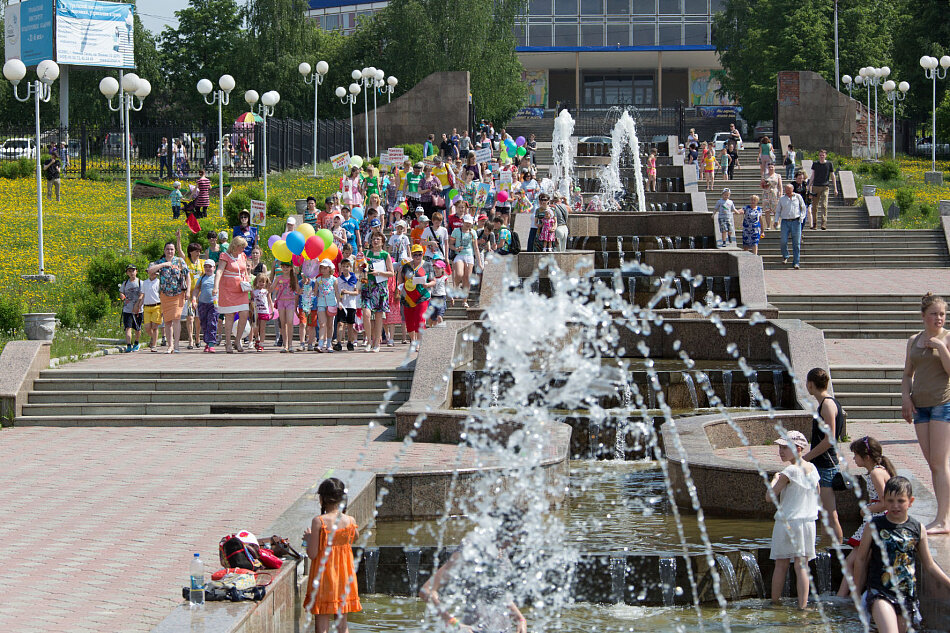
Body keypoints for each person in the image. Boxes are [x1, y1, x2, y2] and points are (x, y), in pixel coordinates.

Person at [851, 477, 950, 633]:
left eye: (900, 501)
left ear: (910, 501)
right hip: (880, 592)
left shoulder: (917, 528)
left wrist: (948, 583)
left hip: (906, 595)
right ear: (884, 500)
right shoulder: (874, 525)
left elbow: (929, 565)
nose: (895, 506)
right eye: (890, 501)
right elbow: (861, 559)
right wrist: (856, 591)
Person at [419, 514, 528, 633]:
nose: (516, 540)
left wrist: (520, 618)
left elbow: (496, 592)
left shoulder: (502, 550)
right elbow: (426, 591)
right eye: (514, 535)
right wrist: (455, 624)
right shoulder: (471, 548)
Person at [901, 292, 950, 534]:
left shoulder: (948, 338)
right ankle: (942, 515)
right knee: (933, 465)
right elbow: (907, 374)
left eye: (942, 314)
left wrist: (941, 347)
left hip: (943, 404)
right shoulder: (914, 340)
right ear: (923, 316)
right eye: (934, 314)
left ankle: (943, 520)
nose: (939, 318)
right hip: (920, 406)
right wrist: (905, 398)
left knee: (940, 464)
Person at [837, 436, 897, 597]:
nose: (854, 459)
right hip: (872, 520)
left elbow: (886, 502)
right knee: (851, 561)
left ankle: (852, 596)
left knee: (857, 561)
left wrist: (867, 508)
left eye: (856, 455)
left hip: (876, 521)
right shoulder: (875, 472)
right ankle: (842, 597)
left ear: (867, 457)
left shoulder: (877, 473)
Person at [767, 430, 820, 610]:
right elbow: (817, 493)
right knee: (802, 566)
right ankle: (803, 606)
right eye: (780, 447)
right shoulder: (813, 469)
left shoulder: (788, 471)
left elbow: (769, 496)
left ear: (798, 449)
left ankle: (775, 603)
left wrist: (774, 479)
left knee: (781, 565)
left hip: (787, 522)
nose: (780, 451)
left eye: (785, 448)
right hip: (808, 523)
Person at [303, 478, 362, 633]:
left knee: (322, 625)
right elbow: (355, 536)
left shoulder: (319, 522)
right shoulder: (350, 520)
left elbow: (313, 553)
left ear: (321, 499)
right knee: (342, 624)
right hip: (344, 576)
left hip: (323, 577)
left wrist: (308, 540)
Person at [802, 367, 845, 541]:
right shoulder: (826, 403)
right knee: (825, 516)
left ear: (810, 384)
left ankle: (839, 551)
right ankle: (828, 549)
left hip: (826, 466)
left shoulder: (827, 404)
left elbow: (830, 439)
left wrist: (806, 457)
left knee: (830, 514)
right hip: (822, 464)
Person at [148, 241, 191, 354]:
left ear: (174, 251)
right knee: (167, 321)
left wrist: (188, 291)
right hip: (165, 294)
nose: (170, 251)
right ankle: (170, 345)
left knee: (176, 318)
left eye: (172, 249)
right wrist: (163, 265)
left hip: (178, 294)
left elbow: (187, 276)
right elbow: (150, 271)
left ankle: (176, 346)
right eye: (167, 249)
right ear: (164, 250)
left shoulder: (180, 261)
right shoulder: (160, 262)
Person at [213, 236, 251, 353]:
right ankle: (228, 342)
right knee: (229, 316)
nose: (243, 249)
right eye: (241, 247)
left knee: (244, 313)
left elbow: (245, 270)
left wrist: (248, 282)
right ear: (235, 246)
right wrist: (215, 286)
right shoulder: (225, 256)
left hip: (241, 289)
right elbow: (219, 271)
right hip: (228, 289)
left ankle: (237, 340)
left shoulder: (243, 256)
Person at [360, 230, 395, 353]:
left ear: (382, 241)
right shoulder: (366, 253)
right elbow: (359, 268)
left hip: (380, 287)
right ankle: (368, 341)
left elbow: (391, 273)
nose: (375, 241)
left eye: (378, 239)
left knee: (379, 316)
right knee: (366, 314)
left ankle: (377, 343)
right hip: (367, 286)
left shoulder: (385, 255)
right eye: (373, 239)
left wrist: (379, 273)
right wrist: (361, 268)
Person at [399, 245, 435, 352]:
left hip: (423, 296)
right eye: (415, 254)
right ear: (412, 255)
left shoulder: (428, 265)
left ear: (422, 254)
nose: (417, 256)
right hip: (407, 297)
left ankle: (419, 343)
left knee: (420, 318)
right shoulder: (405, 267)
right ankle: (413, 341)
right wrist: (400, 288)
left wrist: (427, 285)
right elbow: (400, 281)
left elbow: (433, 281)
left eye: (419, 254)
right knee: (409, 321)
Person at [450, 215, 483, 308]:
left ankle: (465, 300)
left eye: (470, 223)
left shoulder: (473, 232)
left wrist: (479, 262)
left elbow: (476, 247)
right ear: (463, 221)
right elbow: (450, 244)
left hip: (469, 255)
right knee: (459, 274)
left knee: (467, 279)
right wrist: (456, 248)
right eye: (467, 223)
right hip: (459, 255)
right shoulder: (456, 231)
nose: (468, 224)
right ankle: (456, 287)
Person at [775, 183, 806, 269]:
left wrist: (801, 218)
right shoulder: (782, 199)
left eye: (789, 190)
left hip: (796, 221)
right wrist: (776, 220)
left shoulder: (798, 197)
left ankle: (796, 262)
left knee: (796, 243)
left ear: (792, 189)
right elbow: (778, 211)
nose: (788, 192)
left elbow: (803, 208)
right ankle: (785, 255)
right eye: (786, 190)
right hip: (785, 221)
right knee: (783, 241)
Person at [807, 149, 837, 230]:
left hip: (825, 186)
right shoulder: (815, 164)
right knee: (814, 206)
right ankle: (815, 223)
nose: (821, 157)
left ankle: (824, 223)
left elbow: (832, 176)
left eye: (823, 155)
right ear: (818, 156)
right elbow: (813, 175)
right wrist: (809, 185)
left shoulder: (829, 164)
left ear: (825, 156)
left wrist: (835, 188)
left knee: (824, 205)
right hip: (816, 186)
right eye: (820, 155)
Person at [335, 258, 359, 352]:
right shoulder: (338, 280)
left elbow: (356, 292)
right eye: (343, 266)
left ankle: (350, 342)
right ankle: (339, 343)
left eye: (347, 266)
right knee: (340, 323)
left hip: (351, 304)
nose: (345, 268)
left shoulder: (354, 279)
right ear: (341, 268)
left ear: (350, 268)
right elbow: (337, 292)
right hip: (342, 304)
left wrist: (347, 292)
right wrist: (339, 301)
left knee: (350, 324)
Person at [118, 264, 144, 353]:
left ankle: (136, 343)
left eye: (133, 270)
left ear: (136, 271)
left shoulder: (140, 282)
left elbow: (142, 294)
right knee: (128, 327)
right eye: (129, 271)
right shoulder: (125, 283)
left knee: (137, 328)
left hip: (138, 310)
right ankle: (129, 345)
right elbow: (121, 292)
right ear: (127, 273)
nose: (131, 272)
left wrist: (138, 305)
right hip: (127, 309)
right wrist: (122, 295)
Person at [196, 259, 219, 353]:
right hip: (202, 303)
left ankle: (211, 343)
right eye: (206, 266)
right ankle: (207, 342)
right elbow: (196, 289)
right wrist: (194, 298)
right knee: (204, 324)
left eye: (210, 266)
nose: (208, 268)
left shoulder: (216, 278)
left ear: (214, 268)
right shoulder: (201, 278)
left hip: (213, 304)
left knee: (212, 322)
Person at [250, 273, 272, 352]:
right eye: (259, 281)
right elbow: (251, 301)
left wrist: (271, 310)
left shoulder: (266, 291)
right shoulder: (254, 292)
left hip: (264, 311)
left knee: (262, 329)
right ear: (256, 282)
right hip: (256, 311)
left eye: (263, 282)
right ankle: (257, 339)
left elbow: (269, 300)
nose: (261, 283)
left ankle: (261, 344)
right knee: (255, 328)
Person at [141, 267, 162, 352]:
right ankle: (153, 338)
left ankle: (154, 345)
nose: (153, 274)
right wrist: (139, 305)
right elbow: (142, 294)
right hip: (146, 306)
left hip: (157, 306)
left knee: (155, 326)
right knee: (147, 327)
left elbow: (161, 295)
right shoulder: (145, 283)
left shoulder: (159, 282)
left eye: (154, 272)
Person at [427, 256, 449, 327]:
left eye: (438, 268)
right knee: (432, 318)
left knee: (439, 316)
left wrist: (451, 298)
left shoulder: (444, 278)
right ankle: (431, 330)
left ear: (442, 269)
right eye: (435, 268)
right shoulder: (432, 278)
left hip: (441, 298)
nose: (436, 270)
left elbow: (447, 288)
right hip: (433, 298)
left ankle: (441, 331)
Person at [761, 163, 782, 231]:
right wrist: (764, 184)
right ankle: (768, 225)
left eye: (772, 167)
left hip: (774, 193)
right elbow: (761, 185)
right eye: (769, 167)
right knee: (767, 210)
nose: (771, 168)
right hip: (766, 193)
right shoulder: (765, 175)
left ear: (774, 168)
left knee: (776, 210)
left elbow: (780, 186)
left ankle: (777, 224)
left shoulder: (778, 176)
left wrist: (780, 193)